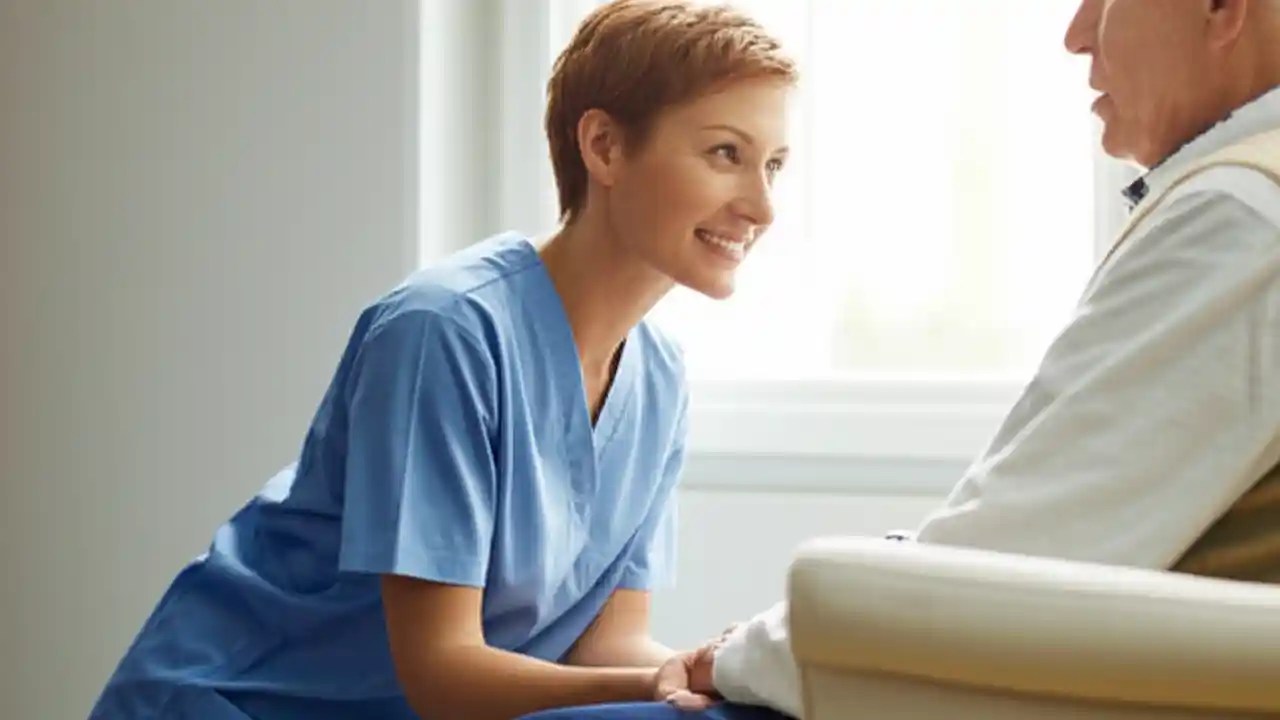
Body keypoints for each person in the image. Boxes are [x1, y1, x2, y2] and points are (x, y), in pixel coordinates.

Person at [527, 0, 1280, 717]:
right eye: (726, 153)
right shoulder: (462, 330)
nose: (1077, 34)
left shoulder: (1238, 212)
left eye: (1106, 2)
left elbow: (1010, 569)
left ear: (1219, 7)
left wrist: (741, 659)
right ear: (603, 149)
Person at [87, 2, 795, 718]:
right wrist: (653, 682)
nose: (761, 206)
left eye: (774, 164)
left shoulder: (659, 380)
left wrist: (716, 667)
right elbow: (441, 671)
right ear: (604, 147)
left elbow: (605, 648)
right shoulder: (444, 330)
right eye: (725, 154)